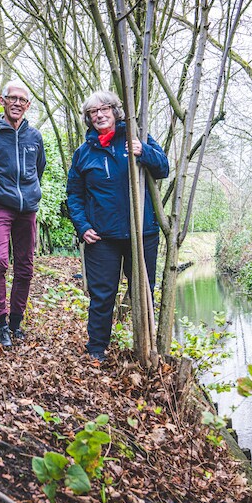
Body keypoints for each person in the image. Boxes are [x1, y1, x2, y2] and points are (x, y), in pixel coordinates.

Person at [66, 90, 170, 361]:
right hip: (102, 238)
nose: (99, 115)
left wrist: (143, 151)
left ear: (115, 111)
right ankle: (97, 350)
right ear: (88, 118)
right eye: (93, 112)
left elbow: (163, 168)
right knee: (102, 296)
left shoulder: (138, 136)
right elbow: (74, 195)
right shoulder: (83, 153)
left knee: (144, 292)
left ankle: (146, 349)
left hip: (142, 232)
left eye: (104, 109)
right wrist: (82, 225)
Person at [0, 80, 46, 348]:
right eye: (12, 98)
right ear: (2, 101)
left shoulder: (34, 137)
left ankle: (16, 321)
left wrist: (31, 195)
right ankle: (1, 323)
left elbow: (38, 170)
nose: (17, 103)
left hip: (27, 209)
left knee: (25, 267)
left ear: (28, 105)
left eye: (22, 100)